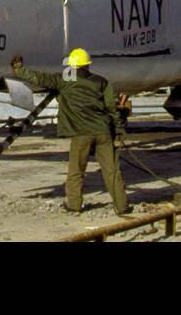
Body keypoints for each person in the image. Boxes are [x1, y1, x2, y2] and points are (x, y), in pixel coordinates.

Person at [11, 49, 130, 215]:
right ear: (88, 65)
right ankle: (122, 206)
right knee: (112, 171)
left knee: (76, 171)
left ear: (72, 66)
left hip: (81, 133)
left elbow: (40, 78)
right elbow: (112, 108)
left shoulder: (65, 80)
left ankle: (74, 205)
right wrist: (118, 129)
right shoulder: (100, 81)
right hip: (103, 132)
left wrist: (19, 69)